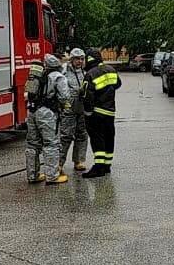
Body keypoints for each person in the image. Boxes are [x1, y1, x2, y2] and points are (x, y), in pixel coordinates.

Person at [24, 55, 70, 185]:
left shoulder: (37, 75)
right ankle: (52, 176)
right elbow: (64, 97)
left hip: (32, 111)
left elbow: (28, 93)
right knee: (51, 144)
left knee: (32, 144)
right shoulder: (58, 77)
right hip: (47, 113)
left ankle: (33, 176)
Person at [80, 48, 121, 178]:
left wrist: (87, 113)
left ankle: (98, 167)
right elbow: (118, 84)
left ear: (89, 59)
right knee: (109, 138)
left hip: (96, 113)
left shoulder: (90, 74)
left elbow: (87, 96)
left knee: (97, 139)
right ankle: (107, 165)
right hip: (110, 112)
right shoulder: (111, 69)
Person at [59, 48, 88, 172]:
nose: (80, 61)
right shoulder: (63, 71)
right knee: (66, 136)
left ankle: (79, 160)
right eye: (77, 59)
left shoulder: (85, 72)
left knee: (82, 134)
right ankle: (59, 163)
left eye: (82, 59)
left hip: (82, 106)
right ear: (71, 59)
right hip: (68, 108)